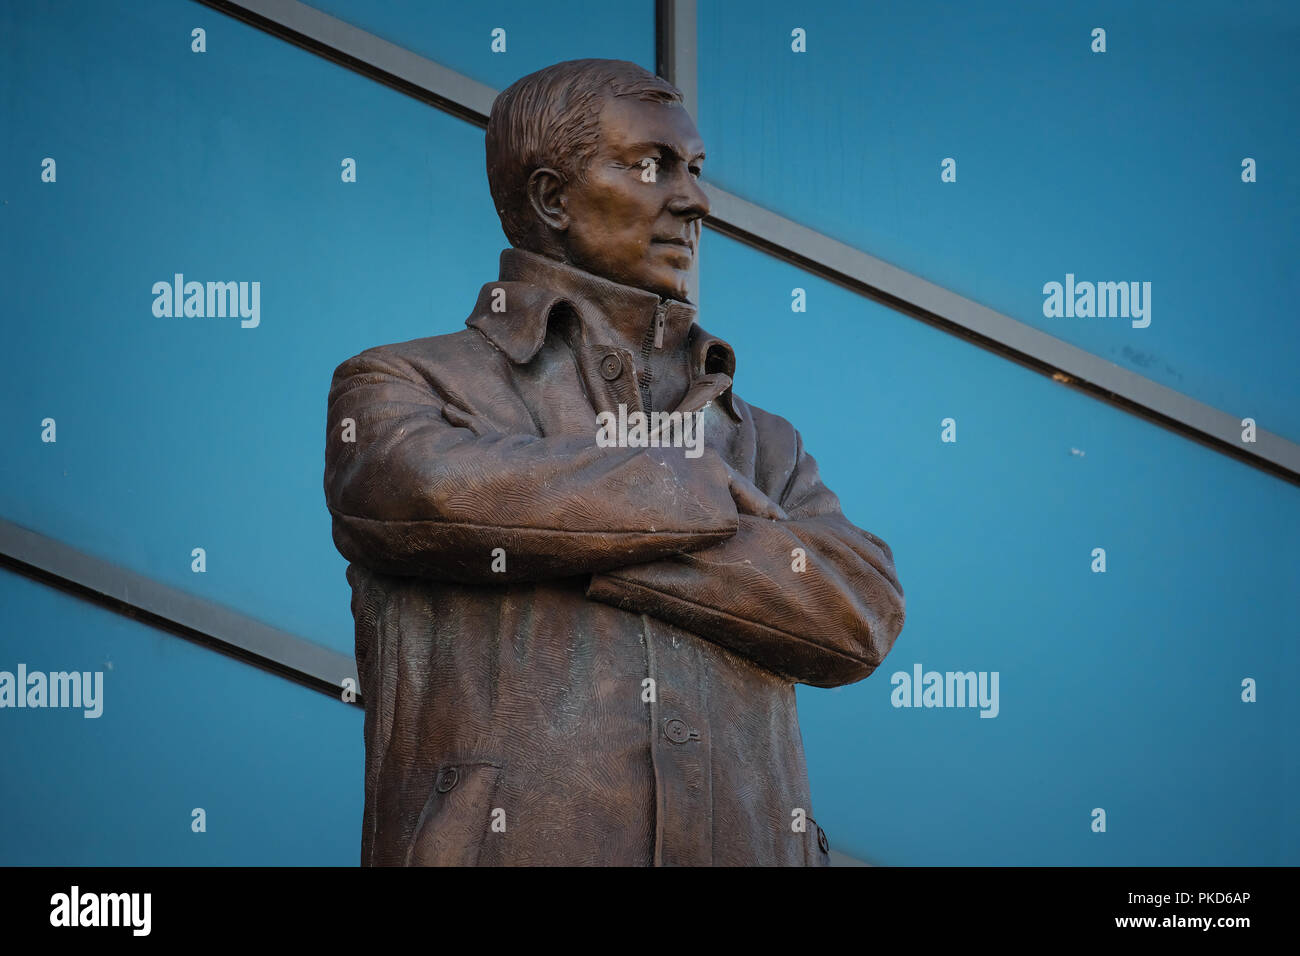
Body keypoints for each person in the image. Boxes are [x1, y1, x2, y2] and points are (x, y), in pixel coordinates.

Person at [323, 58, 905, 866]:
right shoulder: (404, 384)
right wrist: (692, 491)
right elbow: (422, 491)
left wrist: (569, 542)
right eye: (650, 166)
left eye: (695, 171)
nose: (695, 200)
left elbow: (859, 612)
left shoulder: (765, 441)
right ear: (551, 197)